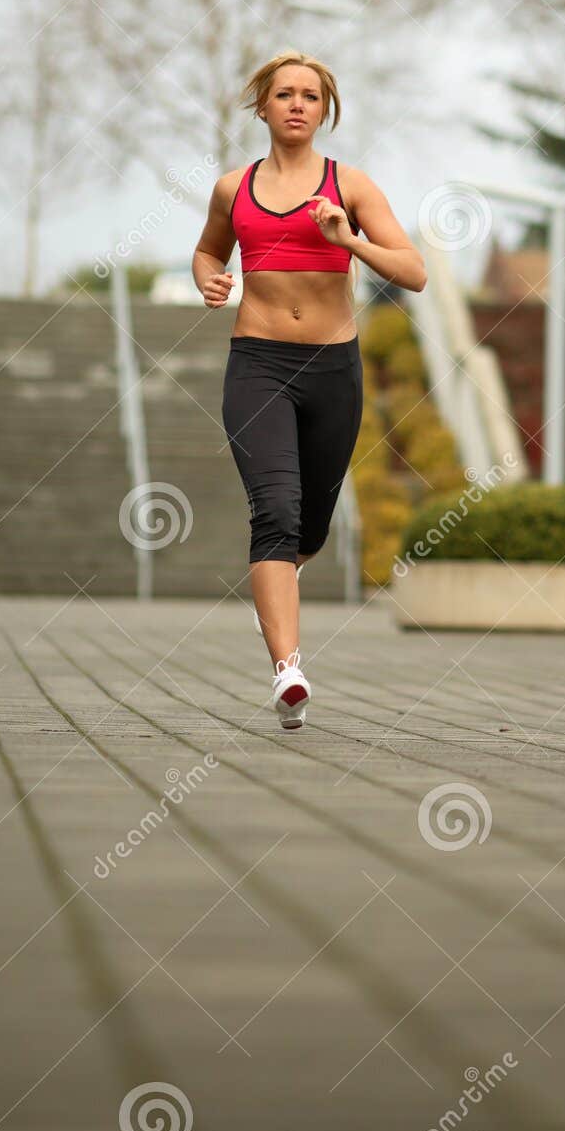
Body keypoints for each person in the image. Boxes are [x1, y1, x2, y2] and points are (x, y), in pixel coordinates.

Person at [191, 49, 426, 731]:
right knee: (275, 511)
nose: (297, 104)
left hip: (332, 369)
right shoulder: (232, 189)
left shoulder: (349, 185)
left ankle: (281, 630)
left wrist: (347, 239)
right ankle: (287, 670)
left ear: (325, 111)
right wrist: (208, 275)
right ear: (261, 107)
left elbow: (412, 272)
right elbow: (209, 249)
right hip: (256, 363)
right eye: (284, 94)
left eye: (311, 96)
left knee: (310, 529)